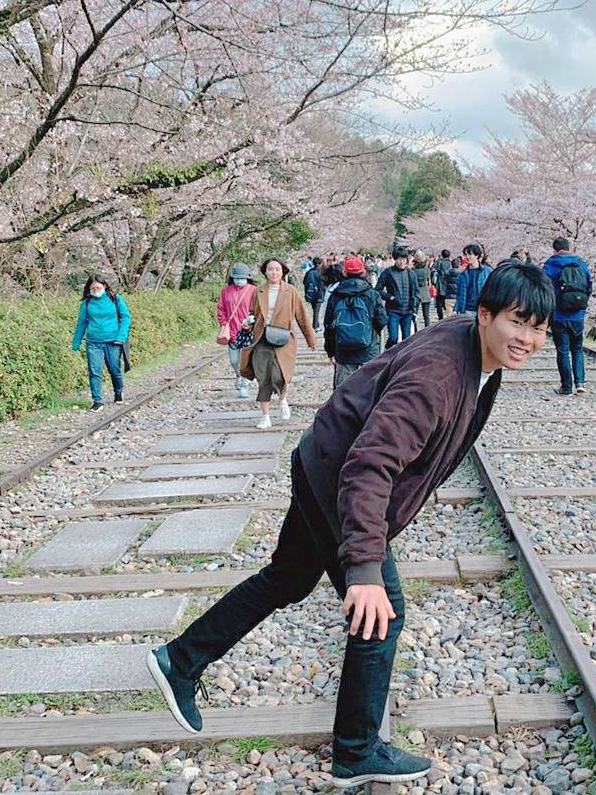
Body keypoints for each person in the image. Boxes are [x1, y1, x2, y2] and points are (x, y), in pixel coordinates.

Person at [146, 260, 555, 788]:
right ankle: (357, 750)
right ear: (483, 315)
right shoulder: (440, 376)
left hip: (320, 461)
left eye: (539, 328)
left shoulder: (476, 349)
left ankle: (180, 660)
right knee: (381, 614)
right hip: (339, 479)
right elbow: (370, 464)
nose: (528, 339)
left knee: (287, 578)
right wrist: (363, 569)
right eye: (517, 323)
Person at [240, 257, 317, 429]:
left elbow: (302, 317)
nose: (274, 272)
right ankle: (265, 416)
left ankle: (282, 399)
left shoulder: (291, 291)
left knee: (280, 375)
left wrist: (310, 339)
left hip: (283, 339)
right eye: (270, 269)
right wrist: (246, 326)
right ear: (265, 272)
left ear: (283, 272)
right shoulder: (258, 291)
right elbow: (252, 315)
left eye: (277, 269)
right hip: (261, 338)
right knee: (263, 378)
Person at [324, 255, 387, 388]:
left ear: (345, 272)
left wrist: (330, 351)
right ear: (363, 271)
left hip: (342, 350)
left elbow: (329, 326)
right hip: (368, 348)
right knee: (370, 390)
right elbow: (382, 320)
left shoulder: (335, 295)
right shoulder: (371, 294)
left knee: (343, 392)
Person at [71, 274, 131, 410]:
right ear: (89, 289)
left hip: (113, 341)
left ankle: (118, 391)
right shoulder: (87, 303)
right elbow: (81, 323)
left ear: (104, 286)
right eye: (93, 288)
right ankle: (97, 401)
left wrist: (121, 337)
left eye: (98, 287)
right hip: (93, 342)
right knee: (94, 371)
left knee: (114, 369)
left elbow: (126, 318)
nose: (96, 290)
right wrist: (76, 342)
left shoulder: (115, 299)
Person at [542, 237, 593, 396]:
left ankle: (566, 386)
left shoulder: (550, 264)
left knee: (562, 351)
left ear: (555, 249)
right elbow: (589, 286)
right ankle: (580, 383)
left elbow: (544, 288)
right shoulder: (581, 263)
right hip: (578, 314)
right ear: (568, 247)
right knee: (577, 349)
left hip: (559, 315)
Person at [217, 263, 255, 396]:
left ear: (247, 278)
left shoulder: (254, 290)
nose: (239, 280)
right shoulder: (226, 291)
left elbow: (258, 309)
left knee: (245, 360)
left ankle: (245, 384)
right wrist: (223, 323)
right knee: (234, 361)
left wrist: (252, 320)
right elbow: (221, 309)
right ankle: (239, 376)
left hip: (248, 331)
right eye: (237, 278)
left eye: (242, 278)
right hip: (232, 331)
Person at [376, 247, 420, 346]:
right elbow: (377, 290)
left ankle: (402, 359)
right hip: (393, 311)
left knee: (407, 340)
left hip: (408, 311)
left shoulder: (411, 273)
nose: (402, 262)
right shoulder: (388, 273)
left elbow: (416, 292)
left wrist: (415, 308)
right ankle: (389, 352)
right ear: (395, 259)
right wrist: (389, 297)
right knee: (393, 337)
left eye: (404, 259)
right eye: (399, 259)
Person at [454, 243, 491, 317]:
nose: (467, 257)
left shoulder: (487, 272)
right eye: (465, 255)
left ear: (477, 255)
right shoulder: (463, 274)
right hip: (467, 309)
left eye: (470, 254)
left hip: (483, 309)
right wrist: (456, 309)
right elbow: (459, 293)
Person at [412, 250, 435, 329]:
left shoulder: (412, 271)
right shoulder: (427, 270)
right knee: (426, 316)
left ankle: (415, 330)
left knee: (414, 315)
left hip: (416, 294)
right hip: (425, 293)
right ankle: (427, 331)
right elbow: (429, 282)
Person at [303, 257, 325, 331]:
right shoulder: (321, 272)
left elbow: (304, 282)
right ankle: (315, 326)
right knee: (316, 311)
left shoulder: (309, 272)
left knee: (314, 310)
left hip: (310, 294)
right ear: (319, 264)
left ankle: (316, 325)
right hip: (319, 294)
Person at [434, 249, 456, 320]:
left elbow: (433, 269)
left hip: (440, 285)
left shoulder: (439, 262)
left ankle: (440, 318)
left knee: (439, 303)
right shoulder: (451, 263)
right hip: (449, 286)